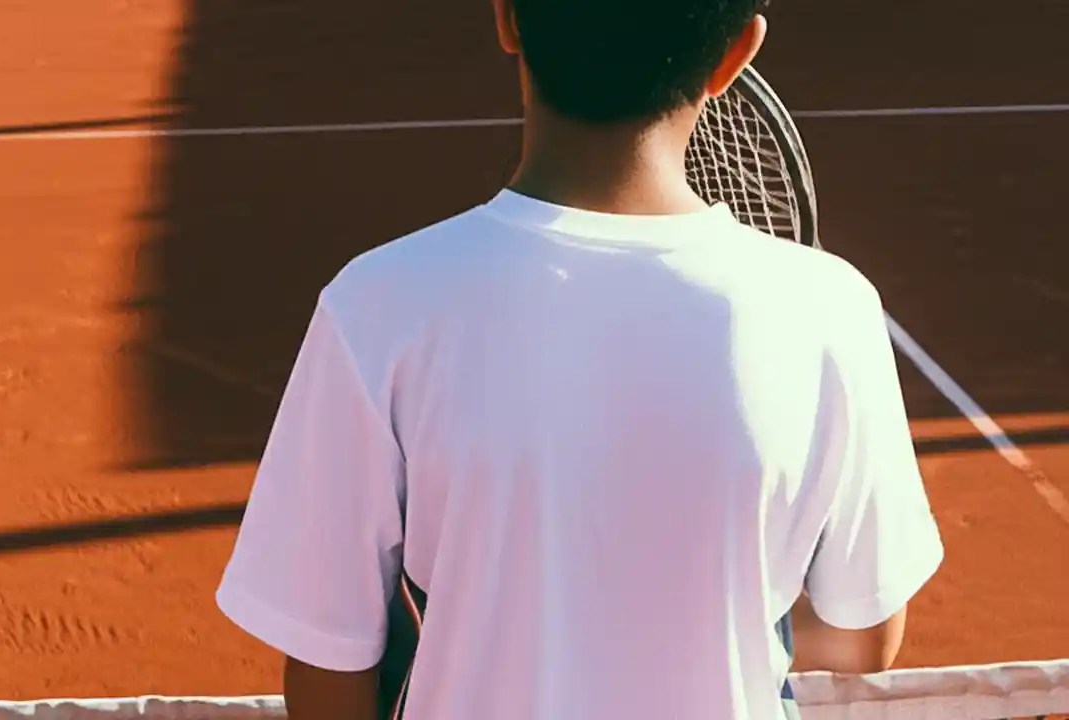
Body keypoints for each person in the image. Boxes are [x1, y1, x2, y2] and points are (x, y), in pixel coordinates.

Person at [215, 0, 945, 717]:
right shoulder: (831, 307)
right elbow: (862, 640)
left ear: (506, 18)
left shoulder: (375, 304)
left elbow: (328, 662)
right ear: (737, 53)